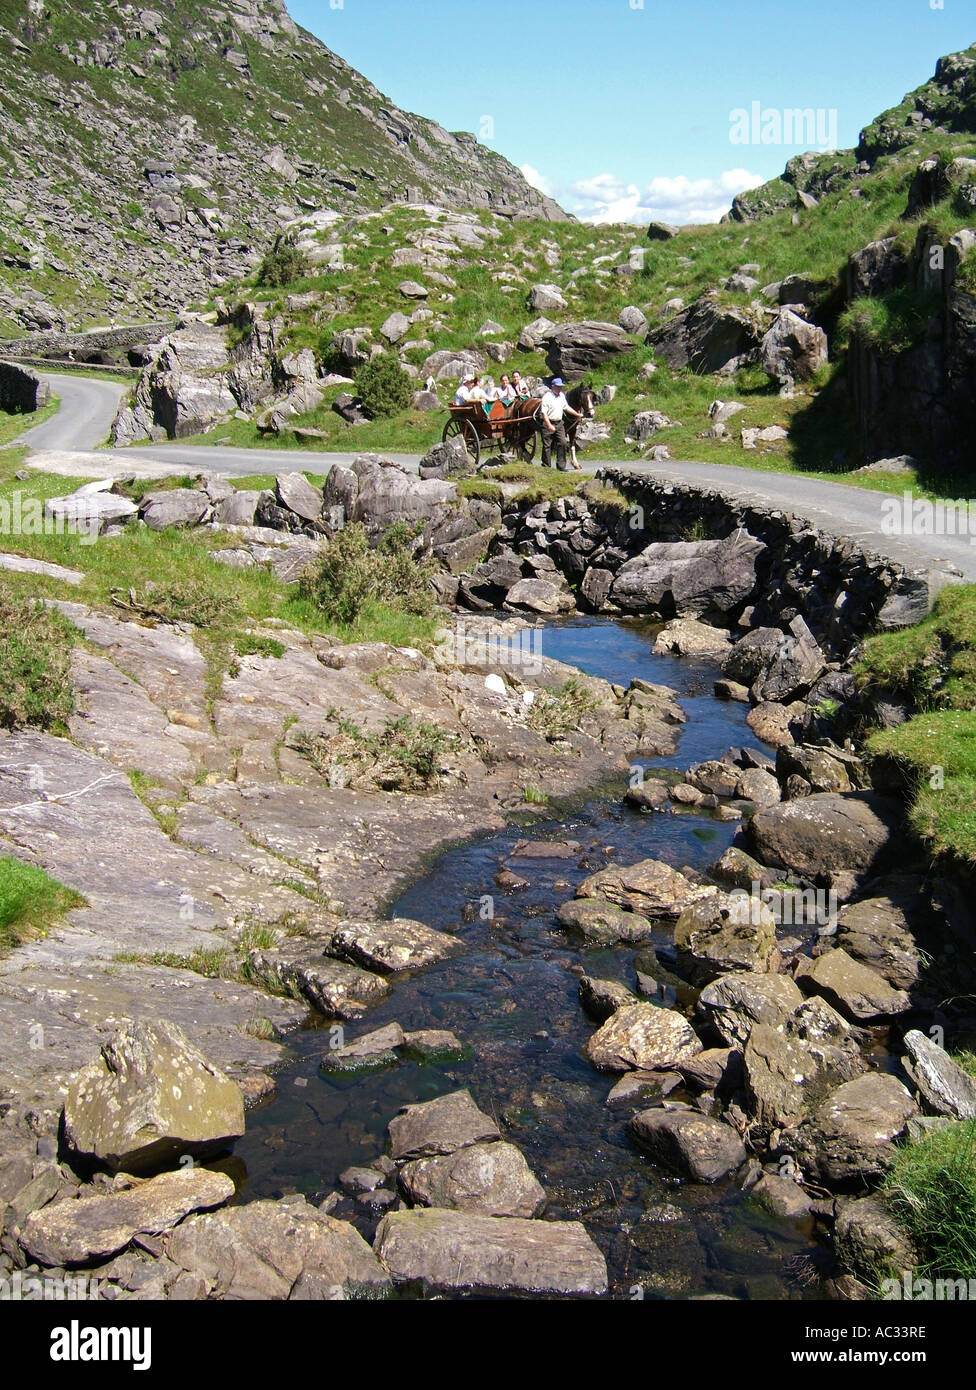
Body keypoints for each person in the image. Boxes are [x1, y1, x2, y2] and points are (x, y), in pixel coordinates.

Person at [538, 378, 581, 470]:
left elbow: (566, 407)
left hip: (559, 423)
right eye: (558, 386)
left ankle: (561, 466)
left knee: (563, 442)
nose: (560, 388)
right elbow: (544, 413)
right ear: (553, 386)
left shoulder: (561, 395)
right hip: (548, 422)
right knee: (547, 445)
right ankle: (546, 466)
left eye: (561, 386)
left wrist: (577, 414)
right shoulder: (547, 397)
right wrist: (549, 425)